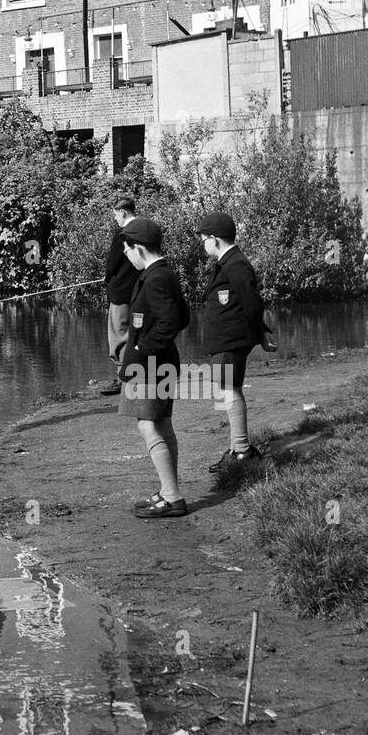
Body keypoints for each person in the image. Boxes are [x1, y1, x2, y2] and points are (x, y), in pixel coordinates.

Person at [118, 217, 190, 518]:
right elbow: (183, 316)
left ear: (139, 248)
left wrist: (140, 348)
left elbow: (170, 322)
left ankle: (172, 498)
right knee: (161, 424)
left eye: (126, 248)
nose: (125, 253)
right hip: (158, 361)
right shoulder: (162, 273)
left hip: (152, 364)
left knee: (149, 425)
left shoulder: (156, 277)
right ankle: (168, 492)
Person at [197, 211, 267, 472]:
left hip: (231, 339)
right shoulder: (228, 262)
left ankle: (242, 450)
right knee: (227, 389)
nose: (203, 245)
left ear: (214, 239)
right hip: (226, 339)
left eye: (204, 240)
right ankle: (237, 448)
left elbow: (252, 303)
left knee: (228, 390)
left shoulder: (236, 264)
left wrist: (261, 334)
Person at [97, 197, 139, 396]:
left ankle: (123, 378)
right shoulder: (144, 230)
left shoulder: (123, 234)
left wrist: (107, 278)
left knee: (118, 333)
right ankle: (135, 374)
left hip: (121, 292)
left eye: (115, 214)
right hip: (139, 292)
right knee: (135, 332)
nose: (115, 218)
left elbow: (112, 263)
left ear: (122, 212)